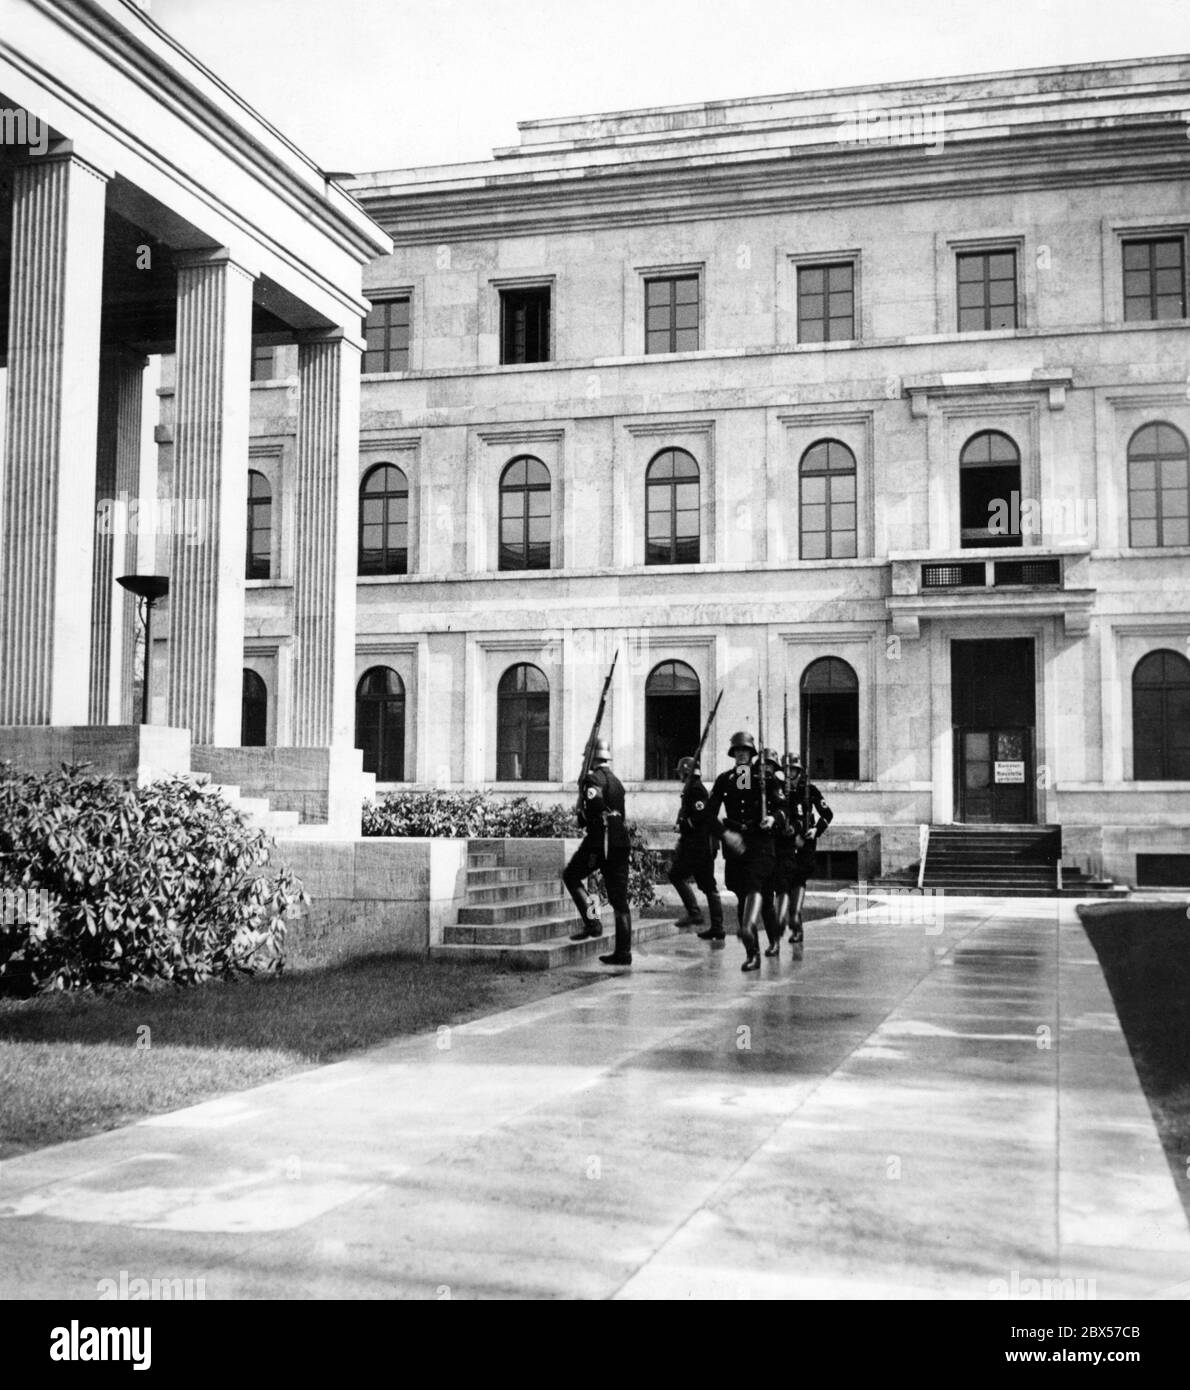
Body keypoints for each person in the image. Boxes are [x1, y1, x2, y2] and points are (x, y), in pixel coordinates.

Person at [703, 731, 781, 972]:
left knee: (758, 894)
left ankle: (765, 941)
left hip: (760, 844)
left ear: (752, 753)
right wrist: (724, 834)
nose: (741, 756)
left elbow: (783, 806)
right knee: (742, 895)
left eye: (745, 752)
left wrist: (773, 817)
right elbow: (707, 814)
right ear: (732, 754)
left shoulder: (764, 780)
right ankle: (752, 952)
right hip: (735, 846)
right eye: (737, 752)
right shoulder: (725, 780)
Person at [563, 737, 633, 966]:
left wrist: (580, 816)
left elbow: (594, 808)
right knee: (620, 901)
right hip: (620, 842)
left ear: (593, 758)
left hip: (599, 842)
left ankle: (593, 922)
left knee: (572, 876)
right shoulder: (617, 782)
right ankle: (623, 953)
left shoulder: (592, 779)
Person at [771, 753, 833, 953]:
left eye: (793, 770)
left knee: (798, 880)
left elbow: (827, 814)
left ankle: (796, 925)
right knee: (782, 881)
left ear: (799, 771)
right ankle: (780, 924)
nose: (790, 774)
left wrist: (816, 830)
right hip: (785, 842)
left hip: (805, 842)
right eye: (786, 770)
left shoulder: (810, 790)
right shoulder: (779, 789)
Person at [667, 755, 724, 938]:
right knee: (708, 886)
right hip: (699, 845)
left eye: (681, 774)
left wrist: (682, 826)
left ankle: (695, 913)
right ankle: (717, 927)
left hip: (700, 846)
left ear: (686, 772)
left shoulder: (696, 789)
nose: (680, 777)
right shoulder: (691, 788)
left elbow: (700, 816)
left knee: (676, 874)